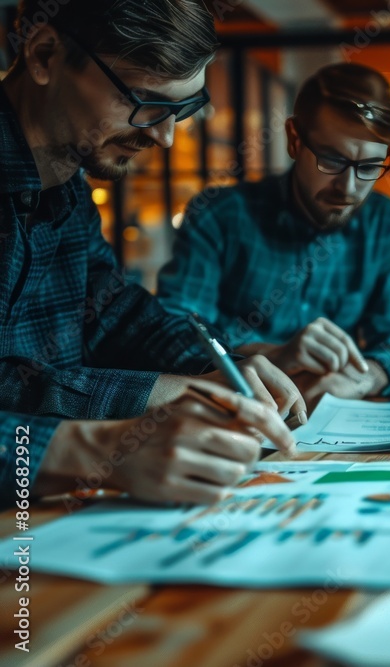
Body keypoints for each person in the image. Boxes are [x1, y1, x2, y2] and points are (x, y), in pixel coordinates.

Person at [0, 0, 304, 507]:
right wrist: (100, 446)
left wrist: (217, 369)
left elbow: (115, 314)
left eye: (183, 108)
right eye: (144, 101)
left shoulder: (68, 189)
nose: (164, 137)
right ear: (45, 54)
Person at [158, 63, 390, 408]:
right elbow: (172, 329)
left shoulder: (381, 220)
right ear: (294, 139)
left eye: (369, 167)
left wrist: (362, 378)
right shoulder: (220, 215)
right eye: (331, 160)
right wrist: (272, 354)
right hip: (232, 413)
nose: (348, 187)